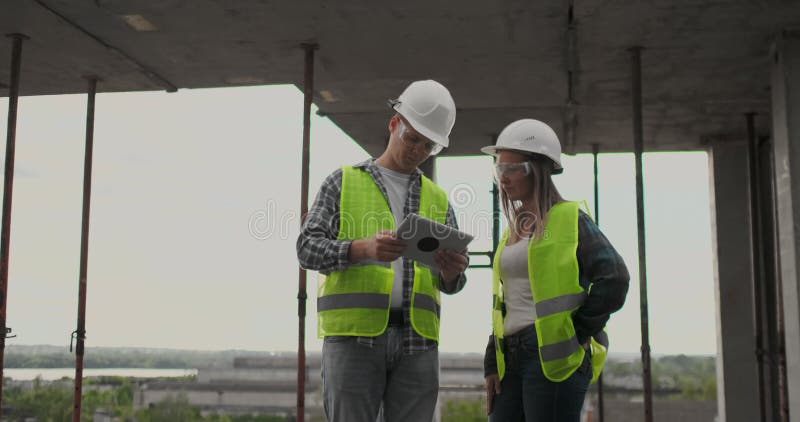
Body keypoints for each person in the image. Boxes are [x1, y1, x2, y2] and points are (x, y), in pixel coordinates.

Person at [296, 79, 469, 422]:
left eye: (429, 146)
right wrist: (363, 249)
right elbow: (307, 249)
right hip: (353, 341)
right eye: (413, 138)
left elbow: (452, 284)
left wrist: (452, 272)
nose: (418, 150)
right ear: (394, 124)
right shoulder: (342, 182)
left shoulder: (438, 199)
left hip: (417, 343)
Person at [480, 119, 630, 421]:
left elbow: (614, 278)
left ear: (538, 169)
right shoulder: (514, 230)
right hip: (510, 356)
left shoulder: (570, 219)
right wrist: (491, 363)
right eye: (499, 169)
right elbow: (507, 302)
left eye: (512, 169)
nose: (503, 178)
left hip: (550, 356)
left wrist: (576, 331)